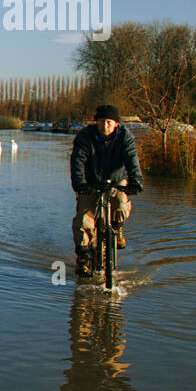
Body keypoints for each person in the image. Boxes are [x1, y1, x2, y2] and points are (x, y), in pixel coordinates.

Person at [70, 104, 144, 276]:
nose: (105, 126)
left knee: (120, 203)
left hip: (117, 180)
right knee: (83, 221)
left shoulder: (125, 137)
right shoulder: (85, 136)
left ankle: (117, 227)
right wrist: (80, 183)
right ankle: (83, 257)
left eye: (109, 122)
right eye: (102, 122)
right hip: (91, 183)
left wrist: (136, 181)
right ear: (96, 122)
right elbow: (77, 162)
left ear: (116, 123)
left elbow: (132, 159)